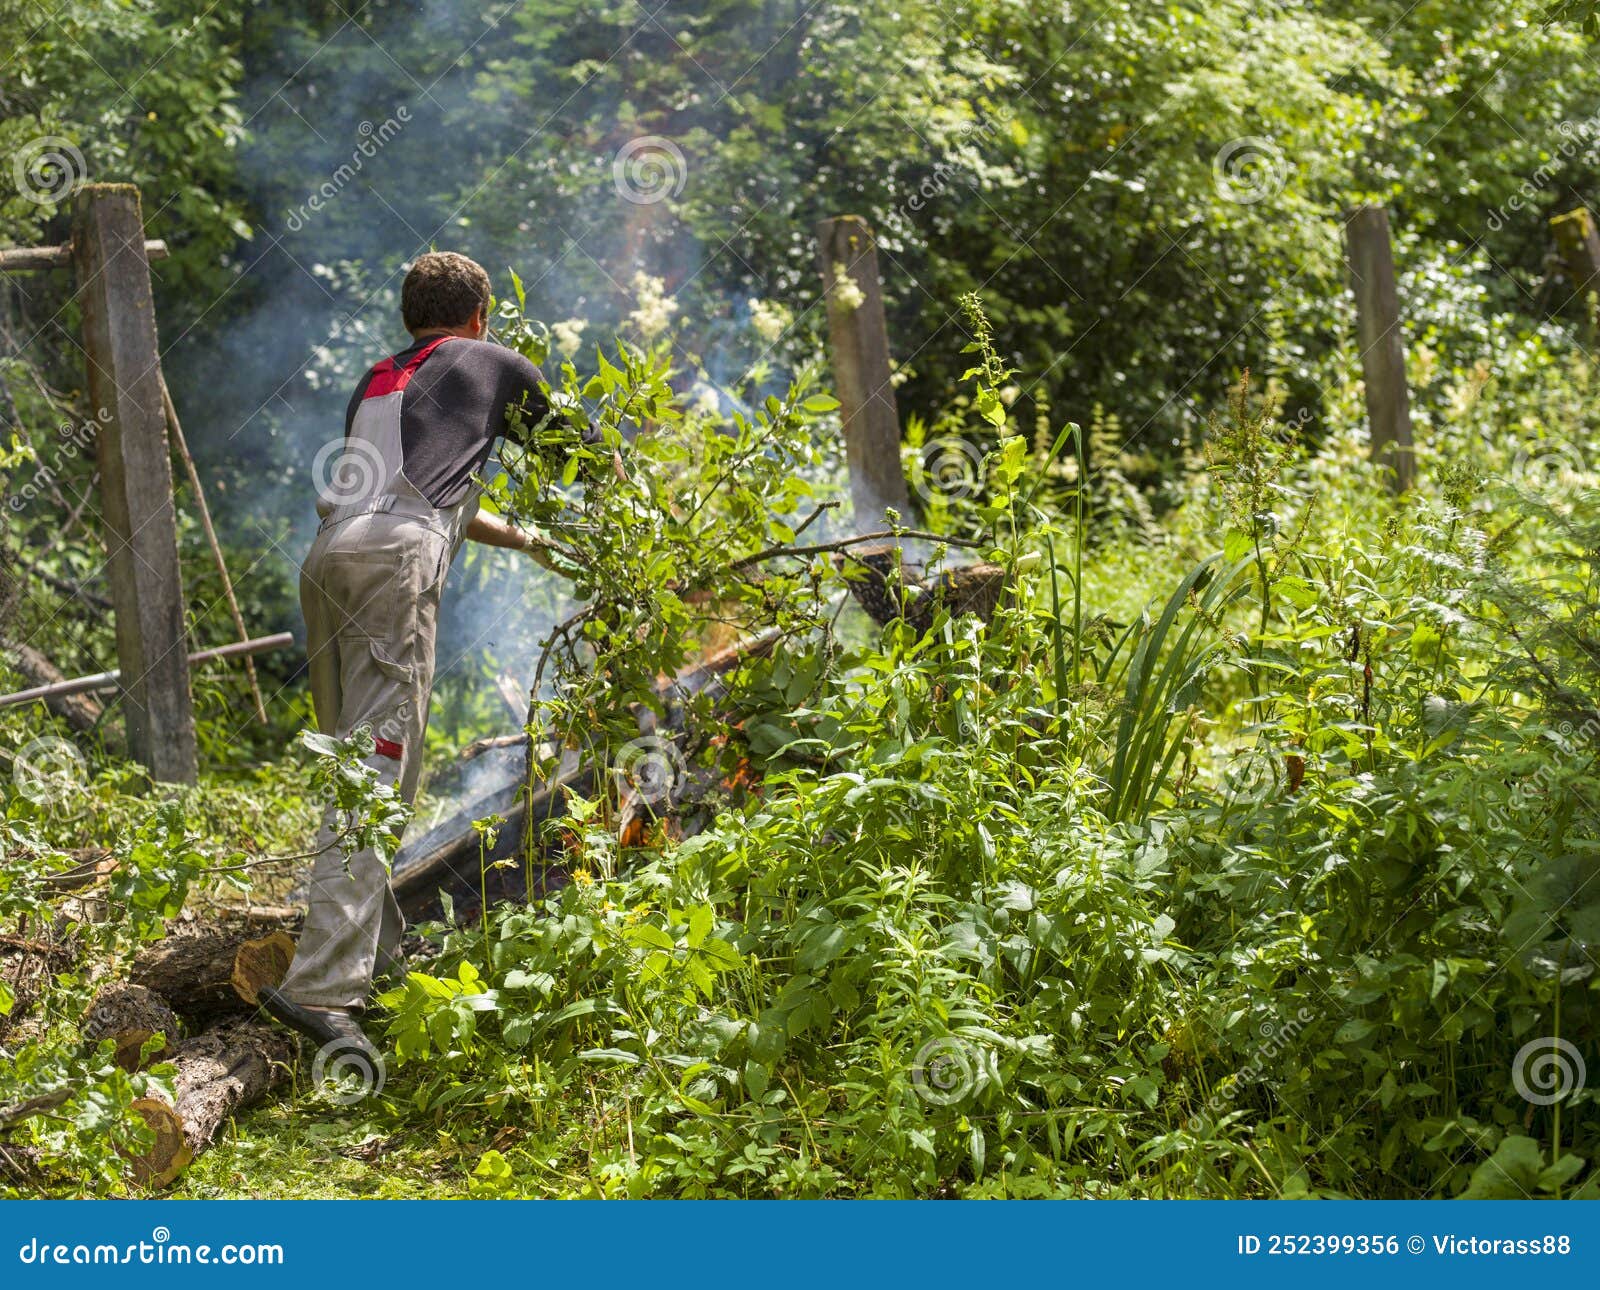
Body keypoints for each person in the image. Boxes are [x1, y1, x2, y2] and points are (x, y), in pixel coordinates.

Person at [260, 251, 557, 1065]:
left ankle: (382, 964)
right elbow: (583, 453)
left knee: (353, 766)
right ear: (479, 316)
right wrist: (622, 519)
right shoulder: (495, 362)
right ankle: (323, 989)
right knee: (377, 773)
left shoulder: (381, 377)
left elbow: (419, 487)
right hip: (395, 561)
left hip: (331, 556)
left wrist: (524, 539)